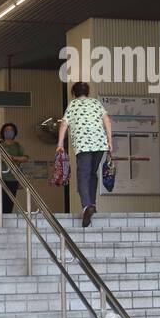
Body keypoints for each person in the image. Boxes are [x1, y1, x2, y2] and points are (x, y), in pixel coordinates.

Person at [55, 82, 112, 228]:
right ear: (87, 92)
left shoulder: (73, 105)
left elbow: (64, 124)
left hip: (83, 145)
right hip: (100, 144)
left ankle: (87, 206)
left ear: (73, 93)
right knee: (92, 173)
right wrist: (110, 141)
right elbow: (107, 120)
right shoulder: (96, 103)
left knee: (83, 175)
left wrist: (60, 144)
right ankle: (92, 203)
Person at [0, 122, 29, 214]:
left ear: (14, 133)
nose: (9, 132)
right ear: (3, 132)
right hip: (0, 176)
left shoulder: (17, 146)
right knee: (0, 199)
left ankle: (7, 218)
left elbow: (25, 158)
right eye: (6, 130)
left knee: (10, 200)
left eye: (11, 130)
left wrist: (13, 158)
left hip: (13, 177)